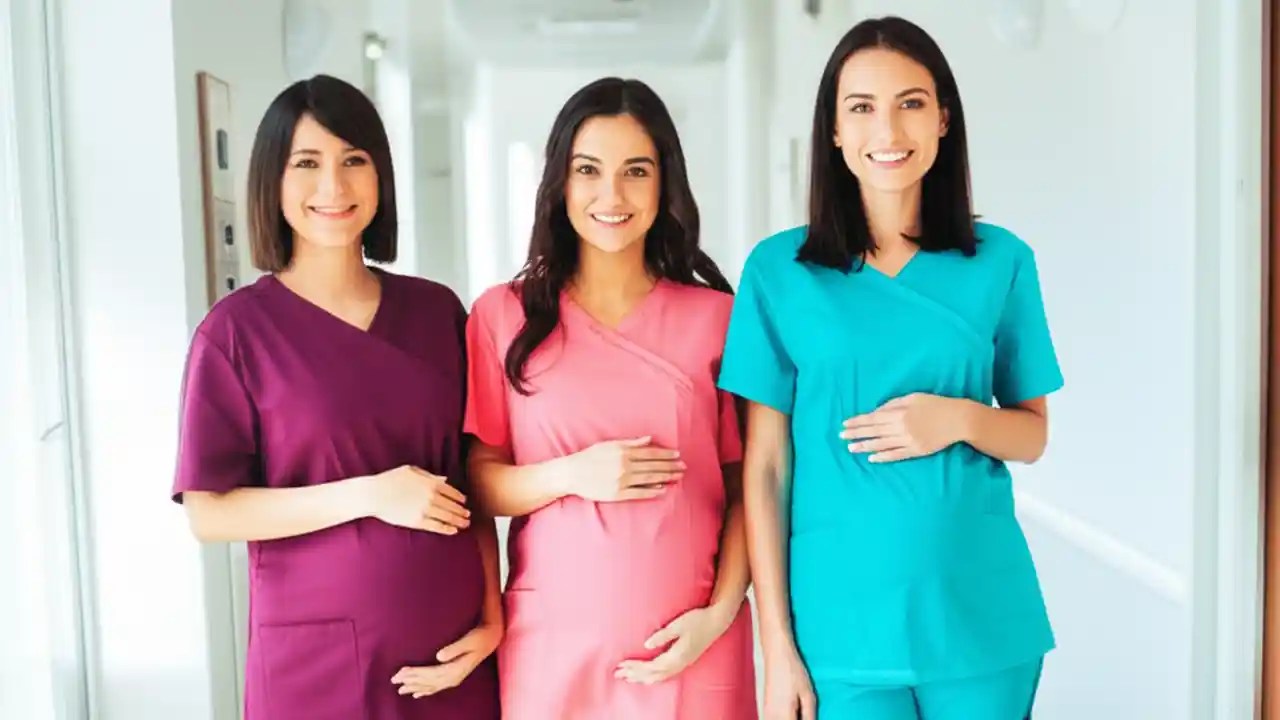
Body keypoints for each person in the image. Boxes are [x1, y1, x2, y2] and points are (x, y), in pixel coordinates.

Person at [720, 17, 1062, 720]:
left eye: (910, 102)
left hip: (978, 617)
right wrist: (775, 646)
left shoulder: (1001, 261)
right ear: (835, 132)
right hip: (838, 629)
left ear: (942, 119)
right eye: (862, 108)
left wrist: (959, 418)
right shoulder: (779, 274)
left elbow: (1031, 436)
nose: (889, 130)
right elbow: (766, 469)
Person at [171, 74, 500, 720]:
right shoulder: (236, 334)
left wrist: (493, 615)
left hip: (453, 660)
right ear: (273, 180)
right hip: (316, 670)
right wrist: (370, 493)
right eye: (307, 163)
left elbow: (472, 481)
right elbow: (210, 514)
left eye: (354, 160)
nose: (334, 186)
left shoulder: (438, 314)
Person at [464, 77, 758, 719]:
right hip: (555, 647)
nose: (611, 195)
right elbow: (478, 483)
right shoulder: (502, 317)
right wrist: (573, 474)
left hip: (693, 645)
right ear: (559, 184)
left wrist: (720, 612)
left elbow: (749, 487)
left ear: (665, 184)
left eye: (636, 171)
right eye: (588, 170)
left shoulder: (720, 319)